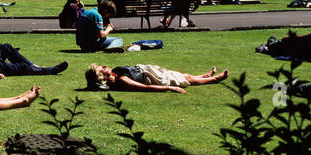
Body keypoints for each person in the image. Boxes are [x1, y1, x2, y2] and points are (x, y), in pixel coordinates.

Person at [85, 63, 228, 93]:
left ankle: (204, 76)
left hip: (149, 70)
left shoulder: (116, 73)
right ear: (103, 75)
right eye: (102, 68)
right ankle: (214, 79)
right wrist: (169, 87)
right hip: (154, 78)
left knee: (183, 75)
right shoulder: (122, 81)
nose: (104, 65)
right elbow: (146, 88)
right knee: (187, 80)